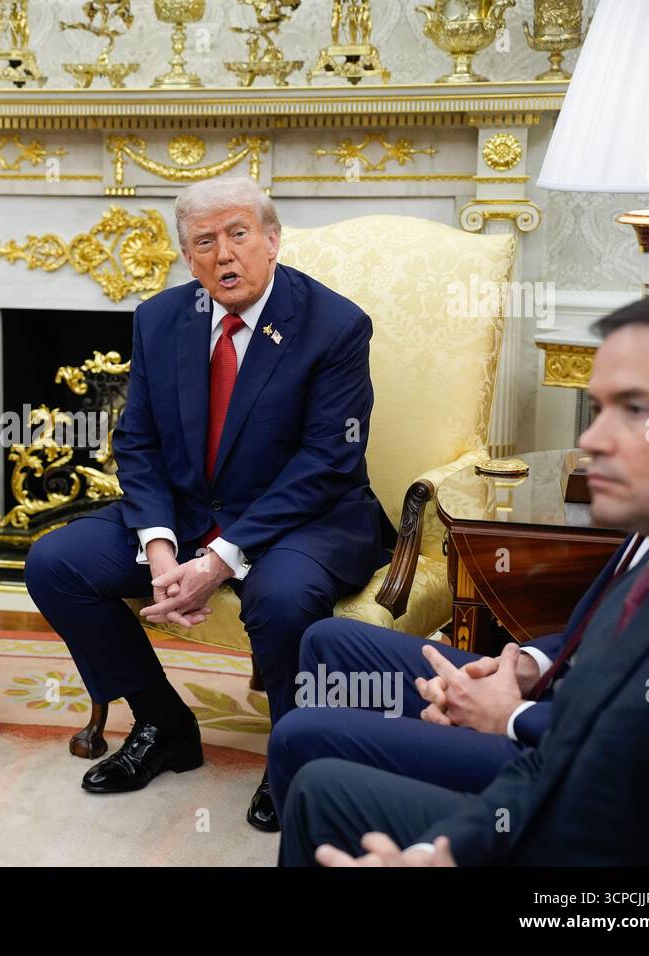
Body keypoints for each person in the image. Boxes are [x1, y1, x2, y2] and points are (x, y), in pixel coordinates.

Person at [281, 292, 649, 867]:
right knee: (327, 658)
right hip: (543, 781)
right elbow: (553, 762)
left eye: (634, 408)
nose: (591, 440)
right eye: (598, 407)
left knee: (311, 758)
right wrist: (437, 854)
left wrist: (506, 716)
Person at [25, 175, 392, 812]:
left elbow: (328, 461)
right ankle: (163, 723)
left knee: (282, 599)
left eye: (238, 234)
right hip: (191, 513)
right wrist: (160, 549)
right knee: (55, 563)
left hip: (304, 519)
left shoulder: (334, 326)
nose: (224, 253)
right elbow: (138, 441)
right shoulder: (161, 318)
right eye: (204, 241)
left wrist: (221, 559)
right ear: (187, 256)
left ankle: (294, 754)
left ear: (272, 240)